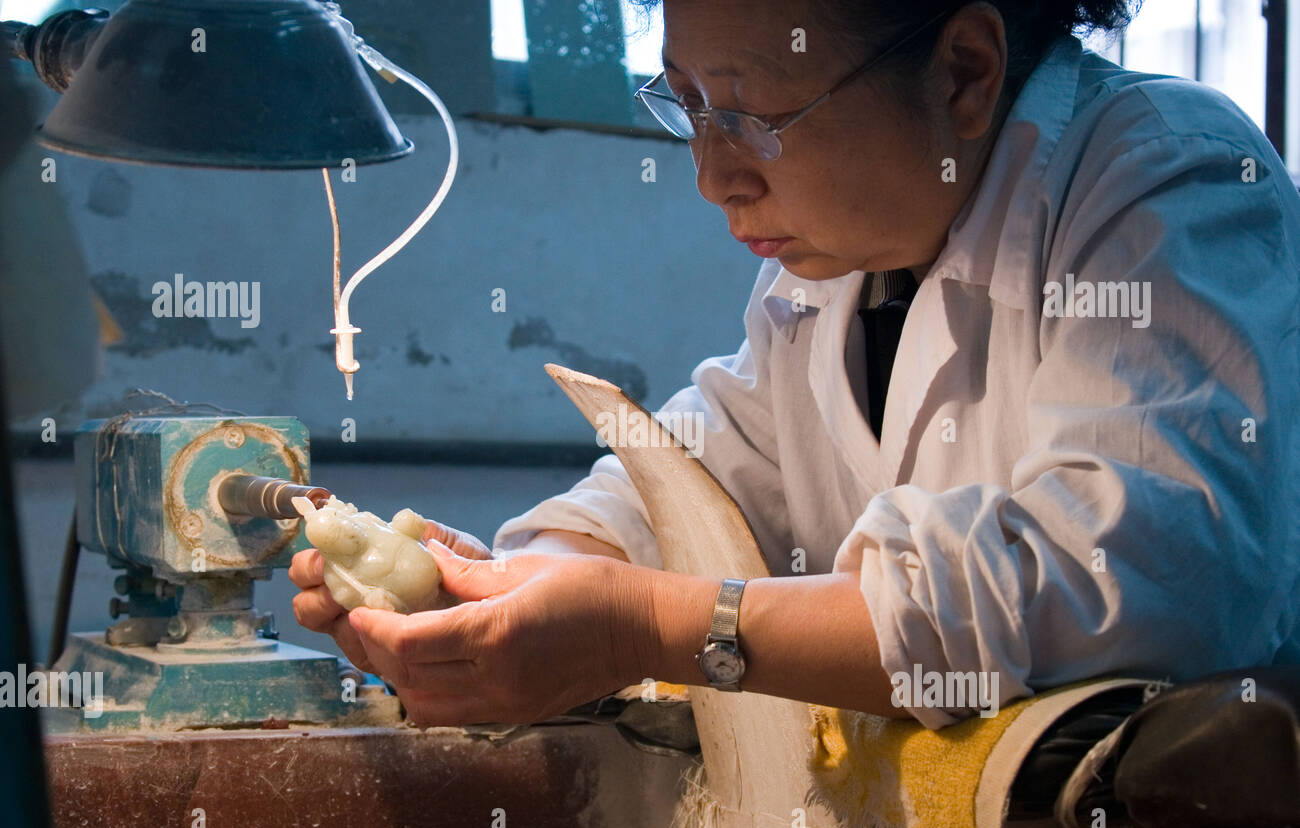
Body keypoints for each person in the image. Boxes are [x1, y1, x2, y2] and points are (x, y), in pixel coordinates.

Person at [291, 0, 1300, 732]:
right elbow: (686, 481)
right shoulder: (832, 275)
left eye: (750, 115)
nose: (710, 174)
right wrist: (494, 591)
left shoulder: (1168, 179)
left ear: (963, 71)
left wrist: (642, 627)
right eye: (684, 105)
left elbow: (1126, 580)